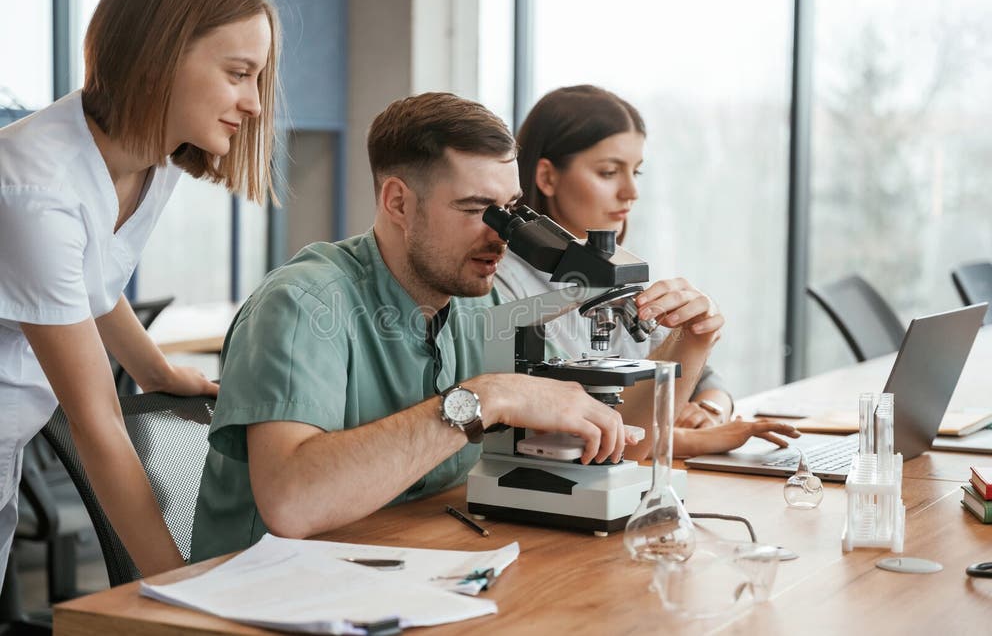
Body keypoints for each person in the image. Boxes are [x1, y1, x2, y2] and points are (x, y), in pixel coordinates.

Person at [190, 92, 797, 562]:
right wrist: (486, 396)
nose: (499, 236)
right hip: (267, 597)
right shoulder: (304, 303)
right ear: (398, 202)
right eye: (477, 210)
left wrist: (691, 342)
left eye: (509, 212)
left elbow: (623, 436)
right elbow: (294, 502)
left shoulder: (477, 306)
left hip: (405, 565)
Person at [0, 0, 279, 583]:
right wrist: (181, 589)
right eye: (238, 74)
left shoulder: (157, 161)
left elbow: (91, 282)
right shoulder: (35, 190)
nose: (255, 102)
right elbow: (97, 421)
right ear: (158, 55)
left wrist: (154, 371)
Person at [498, 85, 789, 458]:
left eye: (636, 172)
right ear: (547, 177)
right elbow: (561, 431)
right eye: (608, 172)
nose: (631, 192)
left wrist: (710, 411)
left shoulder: (616, 271)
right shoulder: (505, 285)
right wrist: (697, 440)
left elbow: (705, 380)